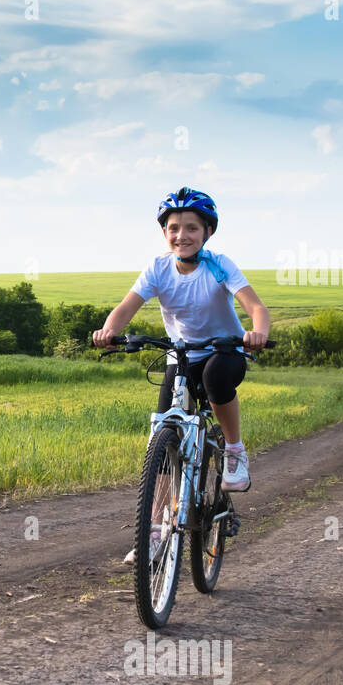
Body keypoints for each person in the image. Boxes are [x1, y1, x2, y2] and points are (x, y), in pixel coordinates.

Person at [90, 187, 270, 563]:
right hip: (182, 356)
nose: (181, 235)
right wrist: (109, 331)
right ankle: (154, 533)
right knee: (161, 437)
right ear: (164, 232)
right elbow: (126, 307)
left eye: (191, 228)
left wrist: (257, 332)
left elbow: (255, 306)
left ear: (206, 232)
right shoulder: (157, 269)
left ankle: (235, 451)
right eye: (173, 227)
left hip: (225, 351)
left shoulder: (219, 265)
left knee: (216, 380)